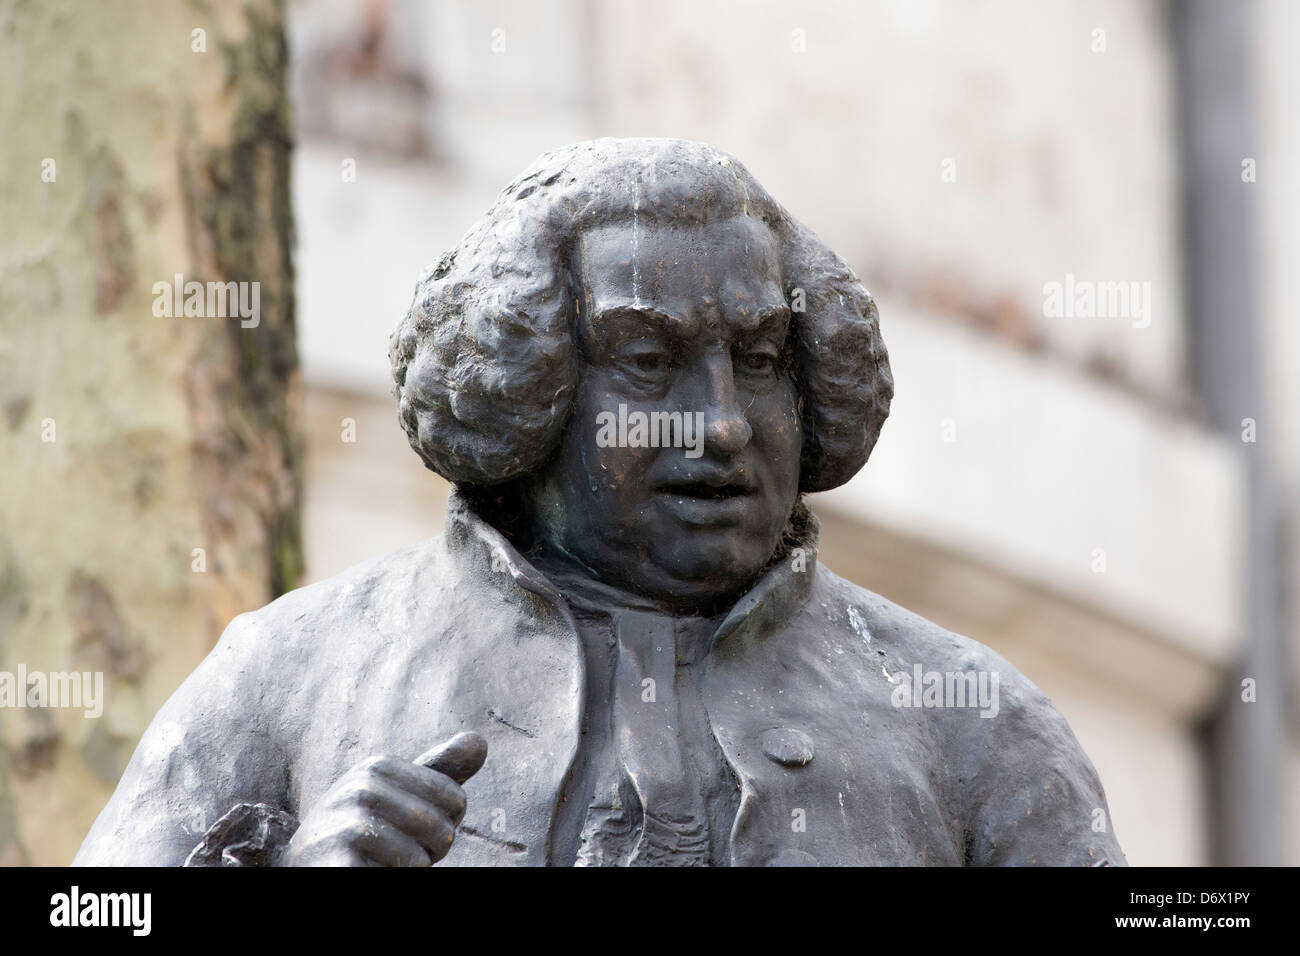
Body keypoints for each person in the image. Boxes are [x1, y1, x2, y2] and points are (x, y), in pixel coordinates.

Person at [75, 138, 1125, 866]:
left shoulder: (977, 722)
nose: (719, 421)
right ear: (532, 390)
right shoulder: (288, 675)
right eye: (645, 358)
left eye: (758, 357)